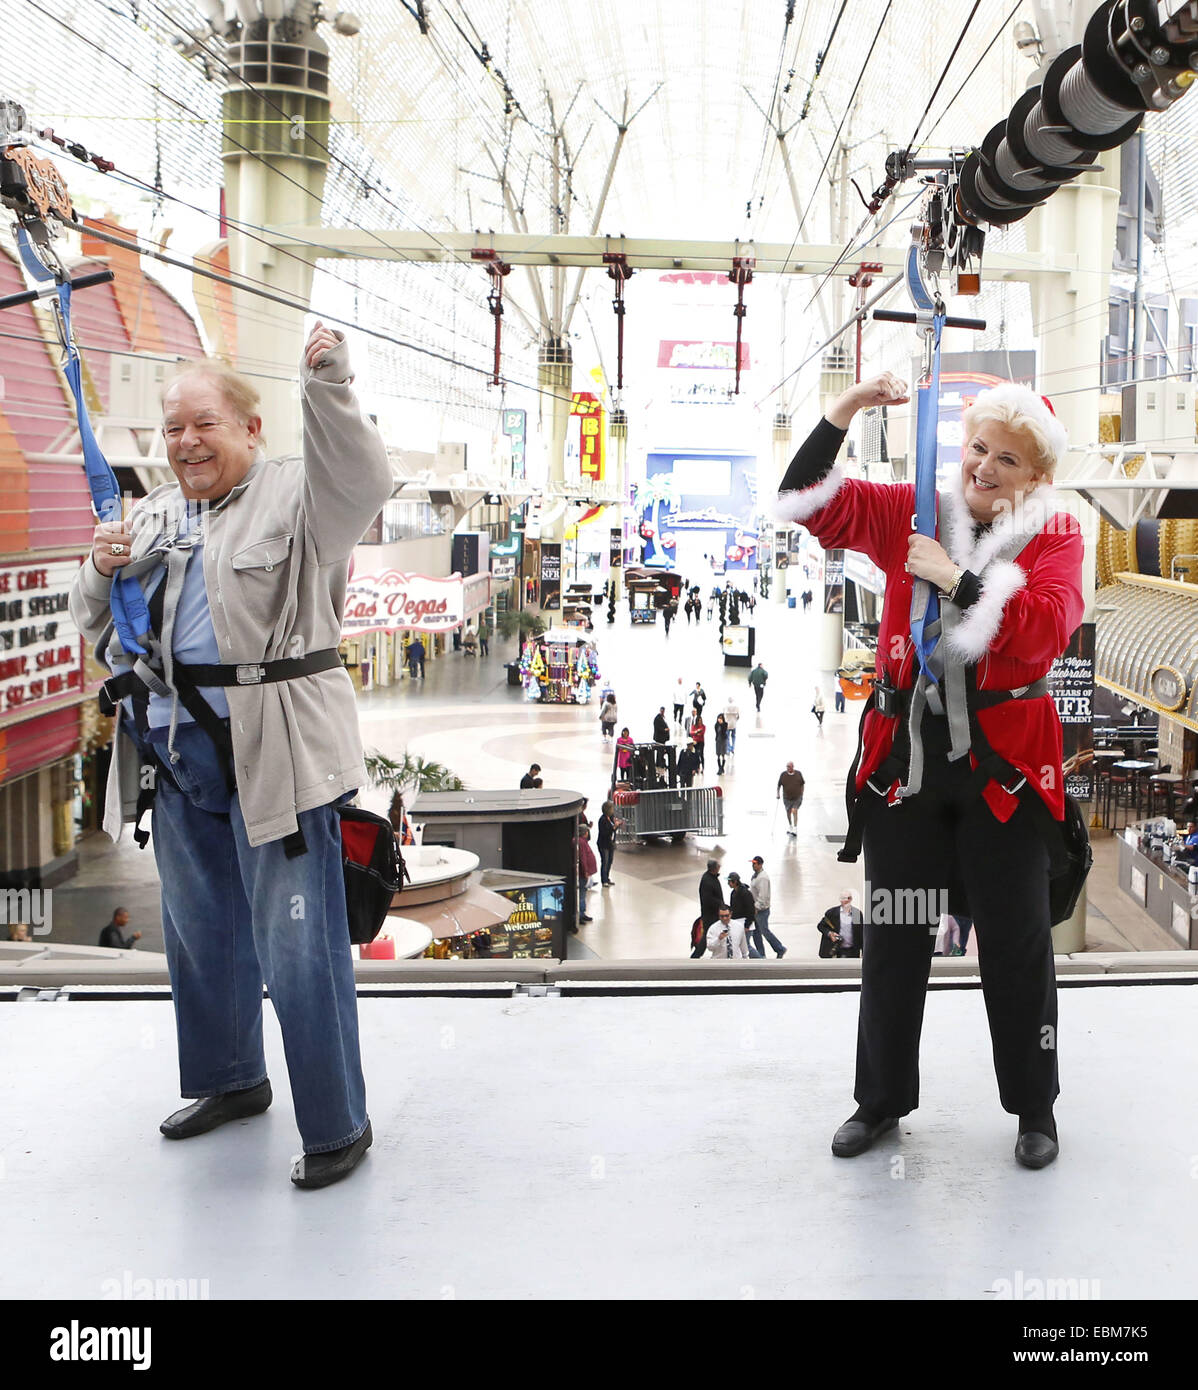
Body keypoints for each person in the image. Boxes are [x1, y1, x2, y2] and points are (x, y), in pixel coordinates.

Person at [70, 322, 390, 1190]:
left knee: (298, 949)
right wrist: (101, 572)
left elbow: (365, 480)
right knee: (202, 937)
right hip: (179, 760)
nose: (185, 442)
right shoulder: (156, 515)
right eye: (173, 428)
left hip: (279, 754)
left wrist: (326, 383)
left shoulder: (298, 496)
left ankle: (336, 1124)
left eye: (203, 423)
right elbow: (95, 624)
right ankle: (229, 1080)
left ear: (252, 428)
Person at [777, 371, 1083, 1170]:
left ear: (1036, 479)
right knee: (896, 936)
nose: (984, 467)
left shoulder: (1054, 536)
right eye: (978, 447)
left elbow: (1044, 630)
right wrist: (844, 411)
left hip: (1002, 777)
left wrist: (958, 581)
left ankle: (1034, 1108)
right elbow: (808, 501)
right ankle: (879, 1101)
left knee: (1015, 948)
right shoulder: (915, 510)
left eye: (1007, 460)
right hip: (909, 771)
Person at [749, 855, 787, 958]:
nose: (753, 865)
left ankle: (780, 948)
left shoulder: (763, 878)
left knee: (764, 931)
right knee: (756, 933)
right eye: (752, 863)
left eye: (755, 863)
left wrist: (757, 907)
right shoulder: (755, 875)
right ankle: (761, 954)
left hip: (761, 911)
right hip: (755, 909)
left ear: (760, 864)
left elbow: (763, 896)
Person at [726, 872, 761, 958]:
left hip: (746, 924)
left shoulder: (745, 893)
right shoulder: (733, 893)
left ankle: (760, 960)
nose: (728, 883)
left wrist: (747, 925)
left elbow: (751, 910)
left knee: (746, 946)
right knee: (743, 946)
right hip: (738, 923)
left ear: (735, 881)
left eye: (729, 881)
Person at [694, 860, 725, 958]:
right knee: (707, 937)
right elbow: (707, 899)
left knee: (713, 935)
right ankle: (695, 957)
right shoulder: (707, 881)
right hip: (710, 915)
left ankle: (719, 955)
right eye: (718, 866)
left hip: (714, 913)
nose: (720, 867)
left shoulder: (712, 878)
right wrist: (720, 904)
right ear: (714, 868)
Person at [817, 894, 864, 958]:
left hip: (853, 950)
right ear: (840, 900)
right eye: (843, 898)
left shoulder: (857, 913)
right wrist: (830, 933)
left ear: (851, 899)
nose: (846, 900)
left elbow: (861, 932)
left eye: (848, 898)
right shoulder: (832, 913)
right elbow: (821, 926)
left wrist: (865, 952)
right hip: (836, 949)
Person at [597, 800, 623, 886]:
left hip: (610, 843)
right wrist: (614, 827)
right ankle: (604, 880)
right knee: (605, 861)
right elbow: (605, 832)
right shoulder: (602, 820)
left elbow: (613, 829)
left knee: (610, 861)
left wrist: (617, 825)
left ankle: (607, 878)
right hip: (604, 844)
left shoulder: (611, 817)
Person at [777, 761, 805, 835]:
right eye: (787, 766)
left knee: (794, 811)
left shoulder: (798, 774)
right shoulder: (783, 775)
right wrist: (778, 794)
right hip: (787, 798)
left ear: (793, 767)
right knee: (788, 812)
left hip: (797, 797)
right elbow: (779, 785)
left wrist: (802, 793)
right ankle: (790, 826)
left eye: (789, 766)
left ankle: (795, 829)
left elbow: (802, 784)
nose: (787, 768)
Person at [576, 826, 597, 924]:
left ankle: (582, 913)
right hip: (582, 874)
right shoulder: (581, 843)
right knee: (581, 895)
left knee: (583, 894)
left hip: (584, 873)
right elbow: (583, 858)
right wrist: (586, 871)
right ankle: (580, 915)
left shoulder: (582, 842)